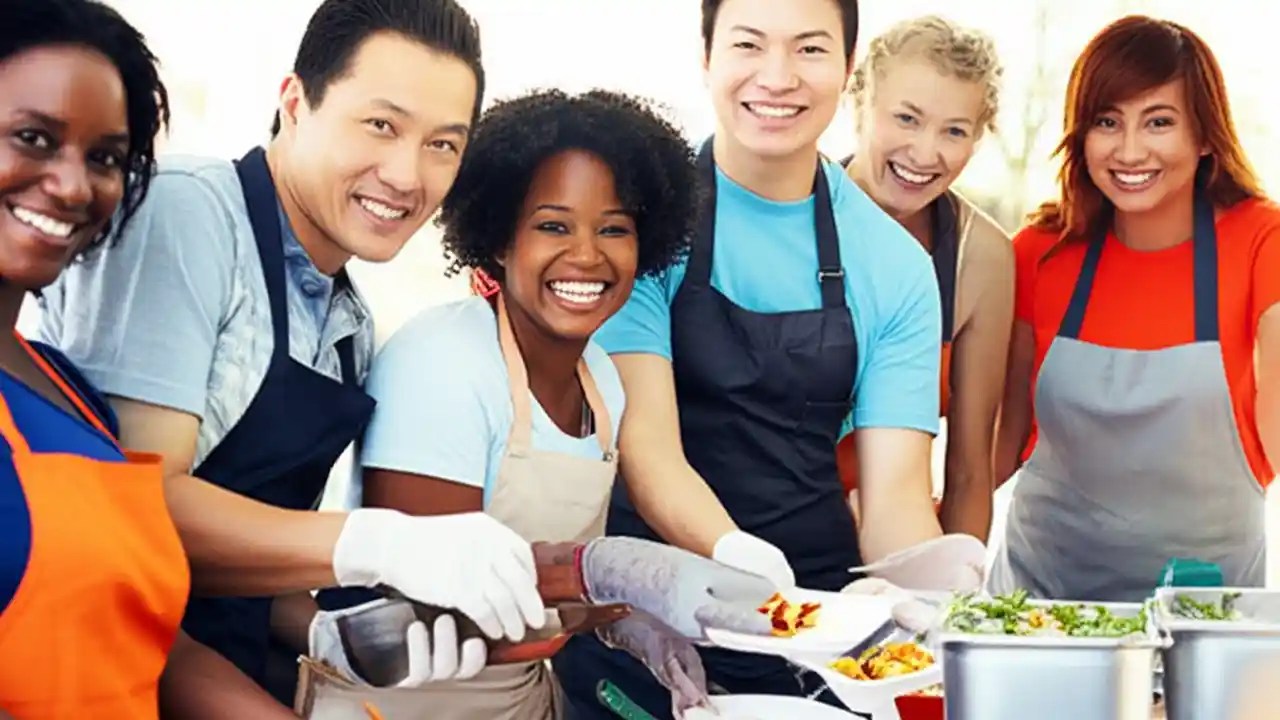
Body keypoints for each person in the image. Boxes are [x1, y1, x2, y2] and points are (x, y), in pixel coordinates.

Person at [36, 0, 556, 709]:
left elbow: (253, 554)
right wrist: (384, 542)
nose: (407, 175)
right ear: (295, 102)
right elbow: (129, 509)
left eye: (443, 145)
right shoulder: (192, 215)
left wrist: (332, 632)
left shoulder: (349, 325)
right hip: (96, 670)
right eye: (382, 125)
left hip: (217, 663)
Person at [554, 1, 986, 717]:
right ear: (707, 58)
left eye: (810, 50)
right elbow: (648, 450)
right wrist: (734, 557)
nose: (777, 77)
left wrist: (906, 592)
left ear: (847, 71)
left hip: (814, 631)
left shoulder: (896, 267)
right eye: (750, 45)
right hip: (646, 613)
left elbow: (894, 494)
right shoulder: (637, 229)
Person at [305, 88, 776, 719]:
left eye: (614, 229)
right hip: (395, 705)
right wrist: (607, 569)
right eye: (553, 225)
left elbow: (554, 604)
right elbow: (433, 598)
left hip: (521, 699)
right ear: (498, 239)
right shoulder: (443, 360)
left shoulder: (604, 384)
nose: (586, 254)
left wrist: (633, 623)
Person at [0, 1, 315, 716]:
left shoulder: (68, 392)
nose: (76, 186)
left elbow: (139, 640)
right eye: (33, 138)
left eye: (106, 157)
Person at [990, 15, 1280, 602]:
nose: (1129, 150)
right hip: (1042, 604)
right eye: (1107, 122)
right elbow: (994, 446)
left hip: (1206, 612)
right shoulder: (1039, 254)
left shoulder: (1260, 240)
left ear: (1205, 136)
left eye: (1159, 122)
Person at [838, 15, 1013, 541]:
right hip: (765, 543)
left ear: (978, 138)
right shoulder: (794, 217)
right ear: (858, 103)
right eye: (907, 119)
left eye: (954, 131)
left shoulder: (979, 257)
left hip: (900, 546)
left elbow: (967, 469)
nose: (925, 153)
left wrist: (955, 612)